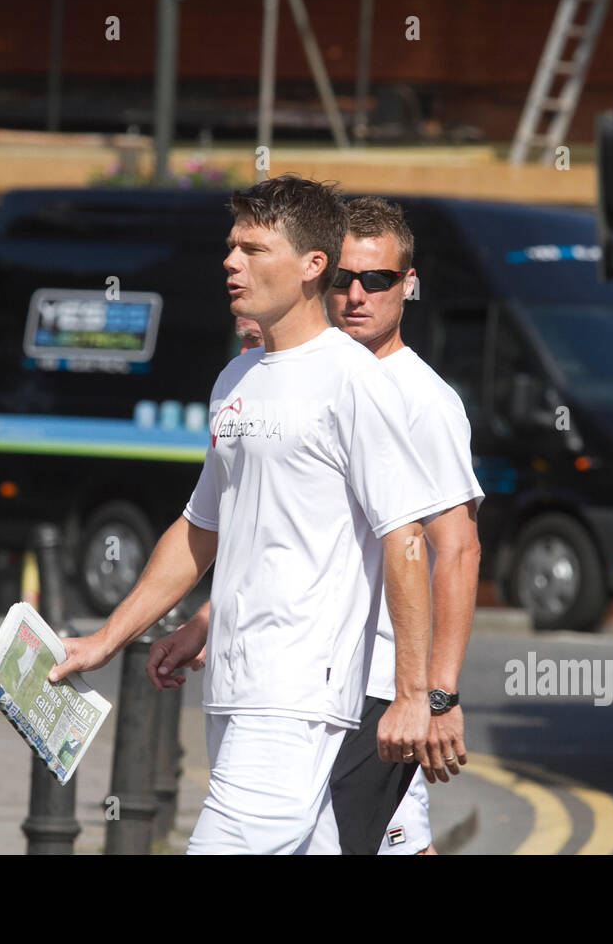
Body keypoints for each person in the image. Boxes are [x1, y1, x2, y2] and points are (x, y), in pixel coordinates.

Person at [48, 175, 446, 854]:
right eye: (231, 246)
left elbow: (407, 541)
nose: (231, 262)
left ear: (311, 265)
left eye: (254, 249)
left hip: (296, 692)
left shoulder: (356, 382)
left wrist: (416, 694)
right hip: (234, 685)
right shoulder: (236, 379)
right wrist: (107, 639)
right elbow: (201, 527)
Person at [150, 197, 484, 855]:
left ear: (407, 285)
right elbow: (286, 539)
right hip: (322, 681)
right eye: (344, 280)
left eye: (378, 280)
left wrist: (436, 694)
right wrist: (205, 623)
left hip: (379, 688)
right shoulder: (310, 379)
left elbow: (458, 549)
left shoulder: (422, 401)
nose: (357, 295)